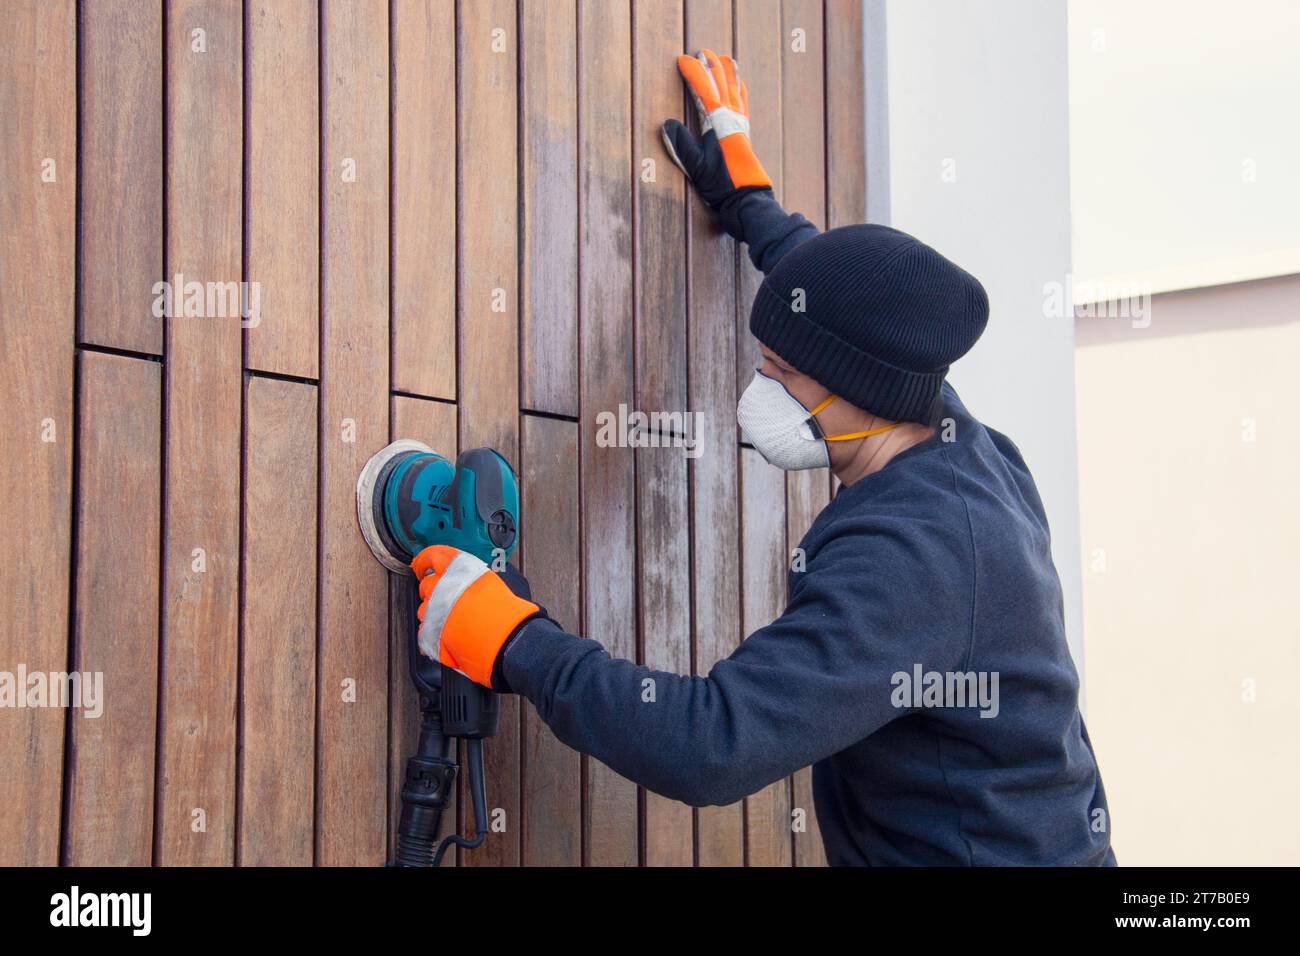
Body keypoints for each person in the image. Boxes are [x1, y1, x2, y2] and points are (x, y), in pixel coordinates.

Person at [410, 50, 1114, 866]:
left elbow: (713, 744)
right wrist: (749, 196)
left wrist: (518, 643)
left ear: (857, 390)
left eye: (782, 372)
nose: (759, 387)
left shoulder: (917, 559)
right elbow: (846, 303)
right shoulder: (944, 424)